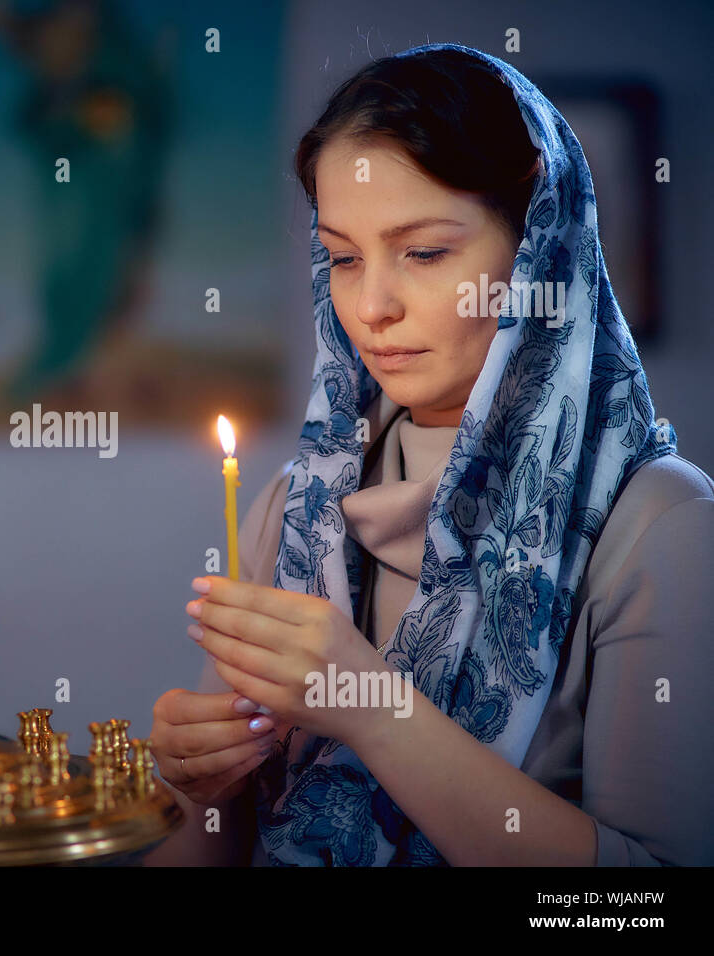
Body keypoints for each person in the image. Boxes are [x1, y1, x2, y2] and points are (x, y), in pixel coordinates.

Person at [146, 43, 714, 866]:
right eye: (342, 257)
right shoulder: (298, 507)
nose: (370, 307)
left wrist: (372, 707)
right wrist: (198, 791)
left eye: (423, 253)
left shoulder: (662, 529)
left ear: (536, 257)